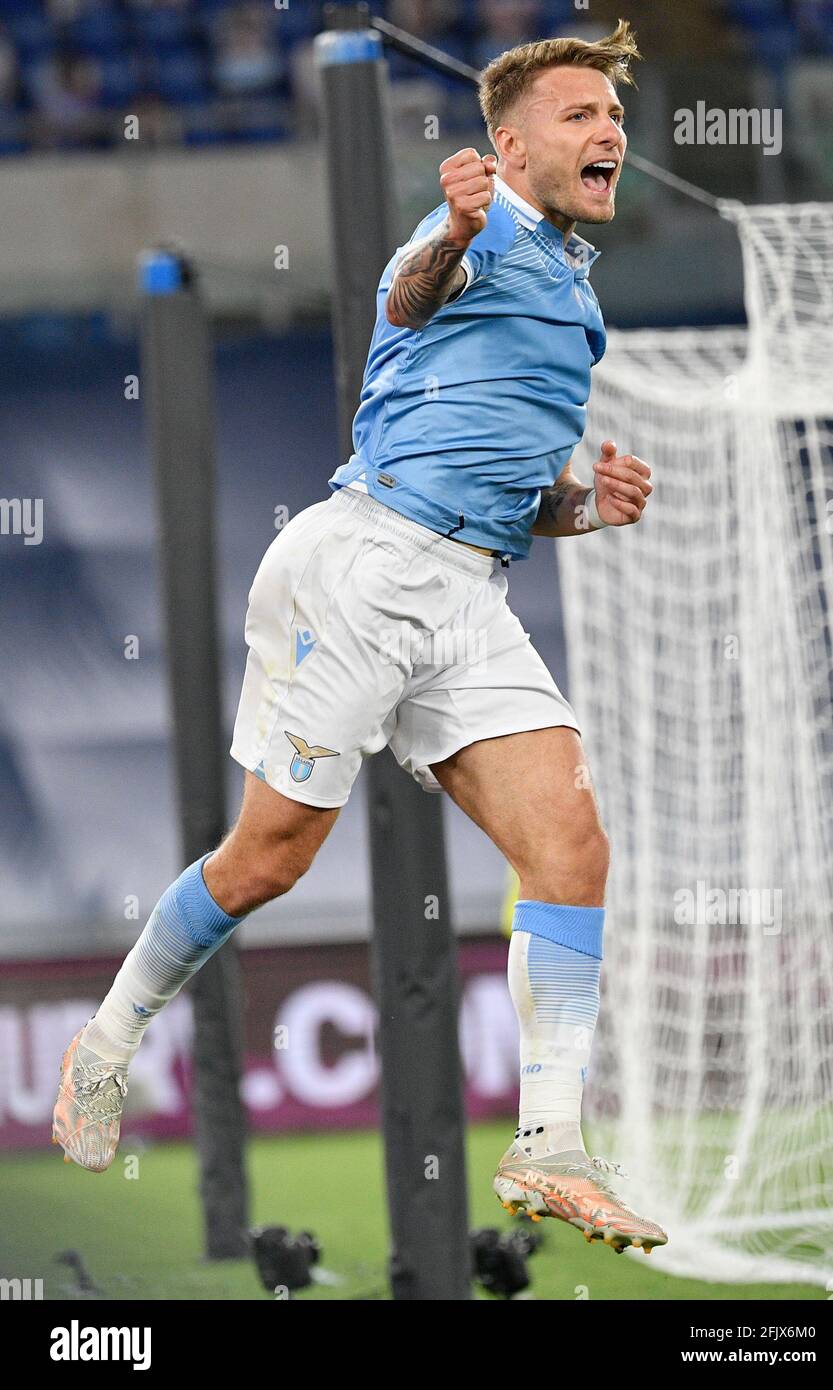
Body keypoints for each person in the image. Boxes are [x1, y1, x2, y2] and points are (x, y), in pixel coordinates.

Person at [53, 20, 667, 1256]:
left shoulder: (571, 283)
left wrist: (578, 507)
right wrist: (445, 227)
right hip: (361, 573)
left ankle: (547, 1142)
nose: (606, 133)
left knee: (574, 844)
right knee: (267, 861)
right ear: (506, 146)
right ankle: (106, 1040)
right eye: (577, 116)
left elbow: (509, 495)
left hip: (467, 595)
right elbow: (406, 293)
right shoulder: (474, 232)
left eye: (612, 116)